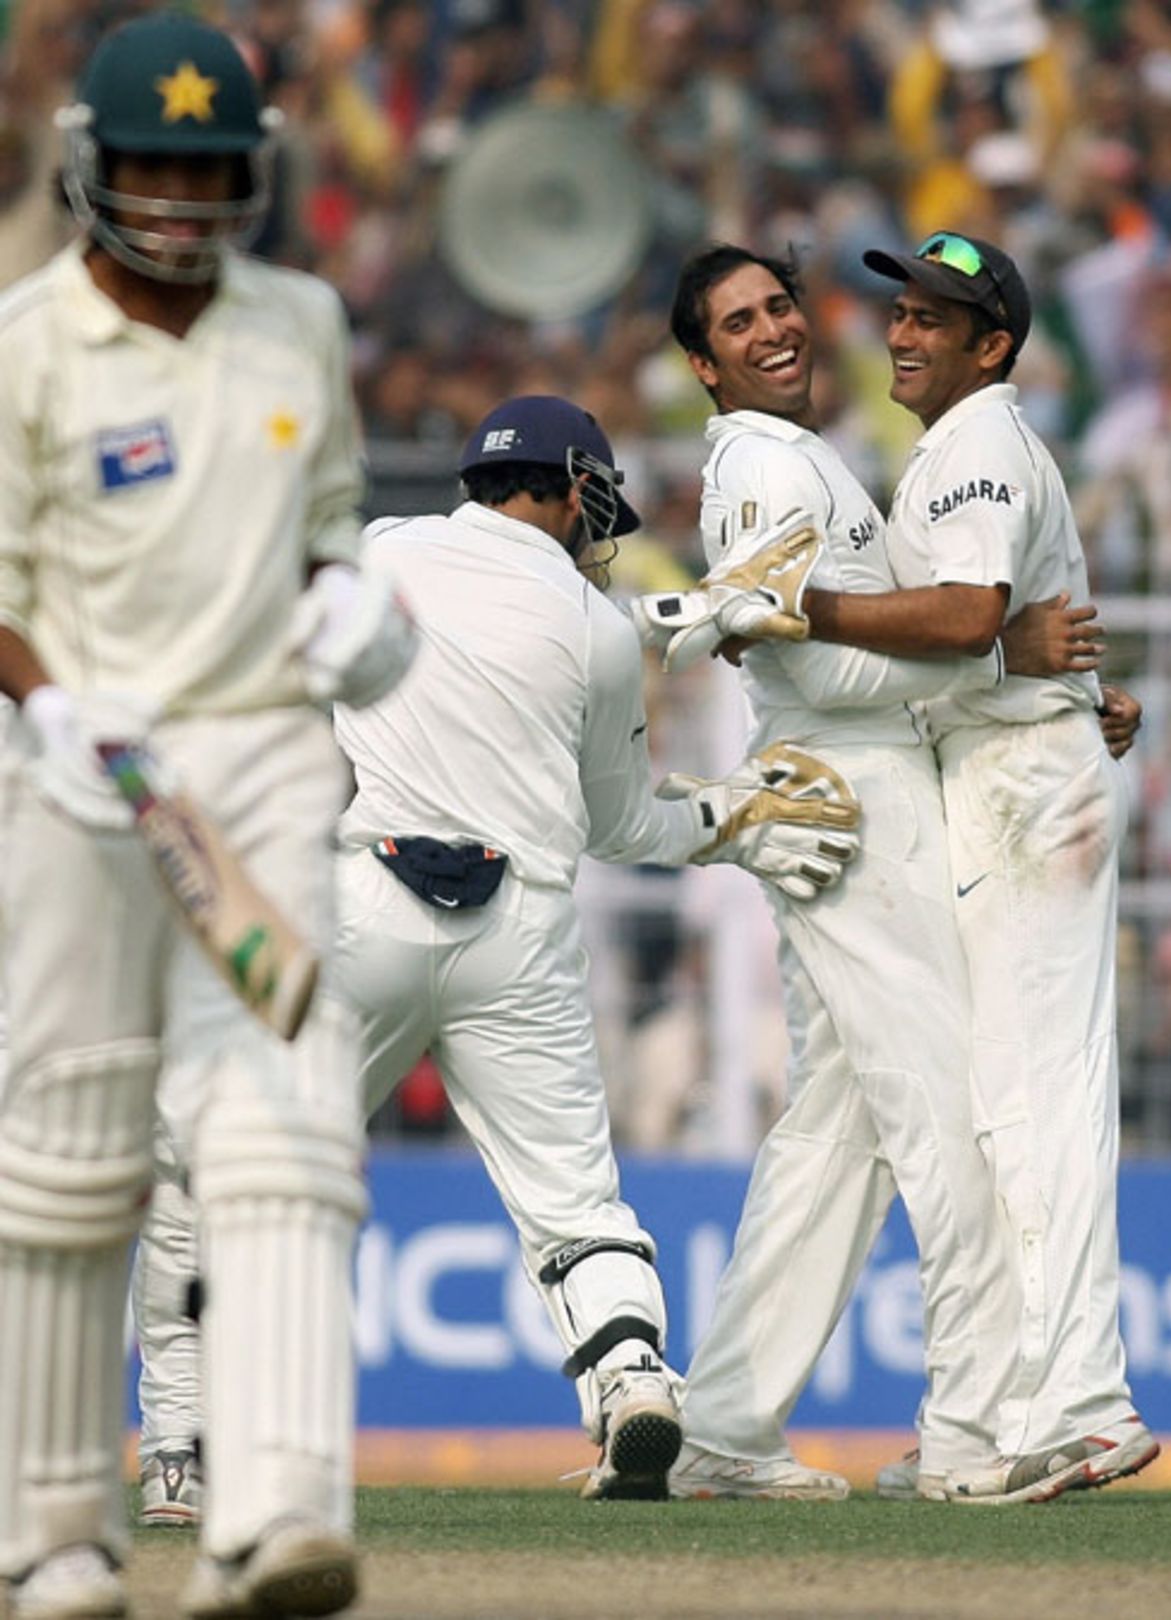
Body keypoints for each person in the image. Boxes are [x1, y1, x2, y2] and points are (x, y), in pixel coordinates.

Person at [128, 390, 863, 1509]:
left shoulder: (380, 551)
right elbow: (623, 828)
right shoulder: (595, 626)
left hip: (361, 900)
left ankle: (183, 1450)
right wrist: (731, 820)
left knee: (210, 1165)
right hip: (516, 923)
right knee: (574, 1202)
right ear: (573, 488)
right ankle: (628, 1381)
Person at [0, 14, 416, 1620]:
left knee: (288, 1136)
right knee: (70, 1153)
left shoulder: (298, 323)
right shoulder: (26, 345)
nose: (182, 197)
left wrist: (355, 613)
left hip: (256, 762)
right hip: (83, 775)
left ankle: (274, 1517)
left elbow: (327, 530)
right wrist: (43, 704)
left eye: (211, 168)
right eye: (155, 166)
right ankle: (54, 1534)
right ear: (95, 170)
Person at [632, 242, 1074, 1503]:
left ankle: (720, 1428)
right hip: (851, 792)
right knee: (949, 1113)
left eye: (779, 304)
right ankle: (975, 1438)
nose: (773, 330)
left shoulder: (792, 454)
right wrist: (1007, 664)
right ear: (700, 363)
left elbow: (810, 630)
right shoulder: (767, 464)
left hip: (850, 783)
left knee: (843, 1132)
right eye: (738, 322)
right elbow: (811, 658)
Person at [798, 230, 1158, 1503]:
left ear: (991, 344)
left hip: (1022, 784)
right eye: (898, 310)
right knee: (1004, 1099)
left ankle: (1083, 1408)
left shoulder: (984, 444)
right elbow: (1005, 630)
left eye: (933, 319)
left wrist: (799, 604)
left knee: (1034, 1097)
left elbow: (960, 619)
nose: (901, 331)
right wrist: (1081, 695)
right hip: (1011, 772)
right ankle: (1014, 1413)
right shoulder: (958, 448)